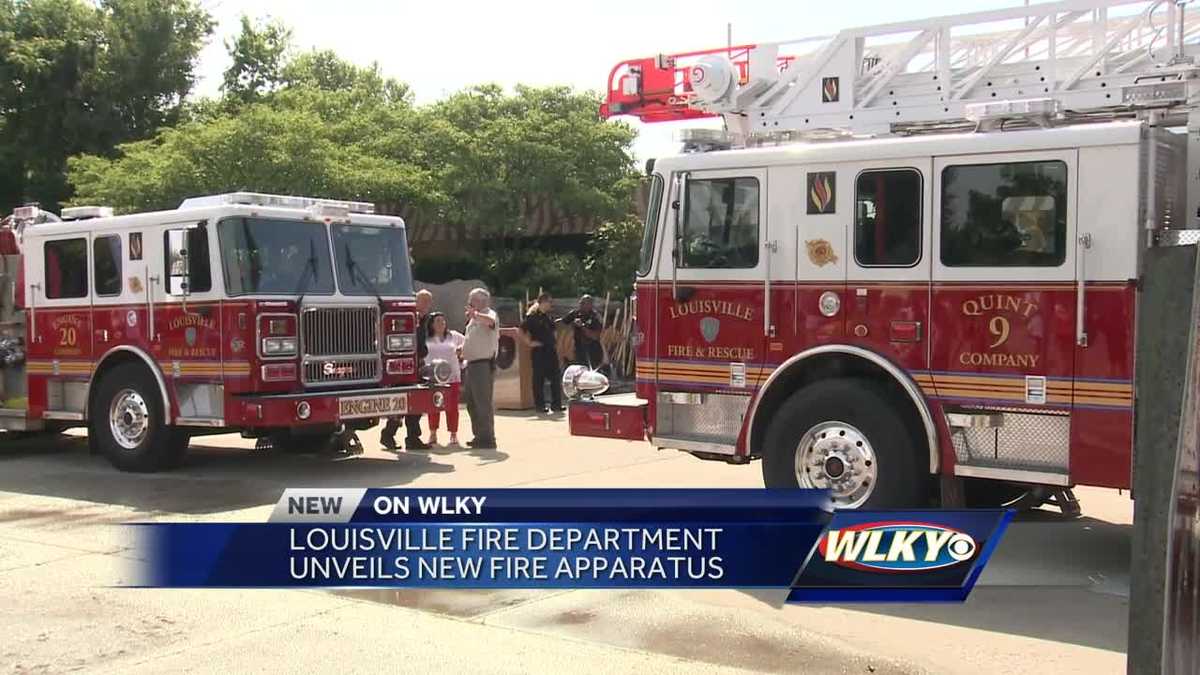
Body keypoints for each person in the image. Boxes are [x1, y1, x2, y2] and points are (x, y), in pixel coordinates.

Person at [381, 288, 433, 450]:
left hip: (417, 364)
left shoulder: (424, 320)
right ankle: (388, 435)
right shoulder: (405, 317)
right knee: (400, 402)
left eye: (428, 302)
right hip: (403, 365)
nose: (427, 305)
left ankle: (412, 438)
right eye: (423, 301)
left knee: (416, 403)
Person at [462, 287, 499, 449]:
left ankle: (487, 437)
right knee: (471, 403)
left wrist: (475, 315)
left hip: (483, 365)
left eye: (472, 300)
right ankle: (479, 435)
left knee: (483, 402)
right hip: (471, 364)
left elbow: (490, 322)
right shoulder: (473, 319)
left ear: (482, 301)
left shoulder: (489, 313)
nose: (469, 303)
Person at [423, 312, 464, 446]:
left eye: (443, 321)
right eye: (438, 321)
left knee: (452, 406)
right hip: (434, 376)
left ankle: (453, 434)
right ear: (431, 324)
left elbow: (467, 342)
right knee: (433, 406)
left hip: (452, 376)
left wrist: (461, 350)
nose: (441, 324)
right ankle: (433, 433)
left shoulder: (453, 336)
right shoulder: (427, 338)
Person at [520, 292, 563, 414]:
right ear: (542, 302)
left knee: (555, 378)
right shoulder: (532, 317)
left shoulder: (548, 317)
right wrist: (529, 343)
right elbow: (521, 330)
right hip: (539, 351)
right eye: (549, 302)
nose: (550, 304)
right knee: (538, 379)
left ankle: (556, 404)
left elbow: (553, 330)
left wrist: (554, 341)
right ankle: (540, 405)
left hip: (551, 350)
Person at [559, 295, 604, 370]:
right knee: (579, 370)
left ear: (590, 305)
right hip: (579, 349)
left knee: (591, 372)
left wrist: (582, 326)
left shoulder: (595, 317)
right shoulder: (575, 314)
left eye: (583, 303)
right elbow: (562, 322)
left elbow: (595, 336)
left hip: (592, 350)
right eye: (580, 303)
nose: (580, 305)